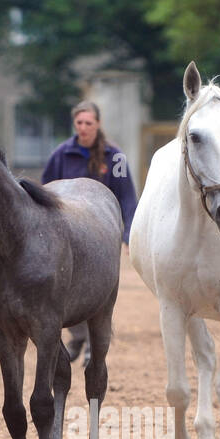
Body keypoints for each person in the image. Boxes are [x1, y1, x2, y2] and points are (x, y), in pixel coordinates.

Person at [42, 101, 137, 364]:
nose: (83, 128)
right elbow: (45, 190)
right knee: (68, 286)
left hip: (101, 233)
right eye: (79, 123)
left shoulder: (114, 157)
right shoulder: (61, 155)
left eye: (88, 123)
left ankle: (91, 343)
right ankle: (77, 337)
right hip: (67, 231)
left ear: (98, 124)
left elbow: (127, 198)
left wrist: (128, 234)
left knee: (97, 287)